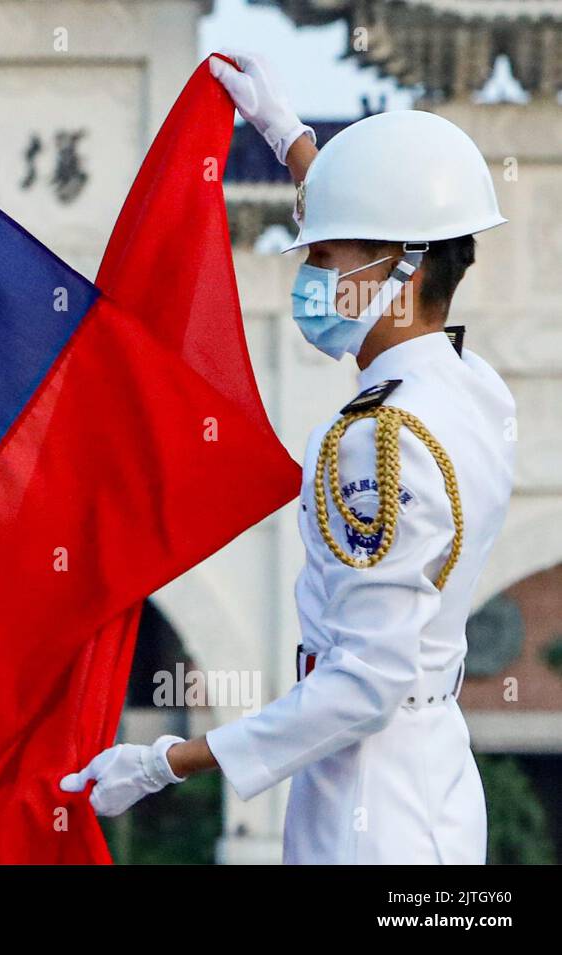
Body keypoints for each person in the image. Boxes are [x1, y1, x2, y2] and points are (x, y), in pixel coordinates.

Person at [60, 51, 517, 864]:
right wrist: (294, 141)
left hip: (364, 808)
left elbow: (363, 687)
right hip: (436, 782)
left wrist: (167, 759)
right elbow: (391, 232)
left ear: (400, 273)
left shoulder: (377, 443)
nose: (309, 276)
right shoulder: (475, 392)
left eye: (320, 258)